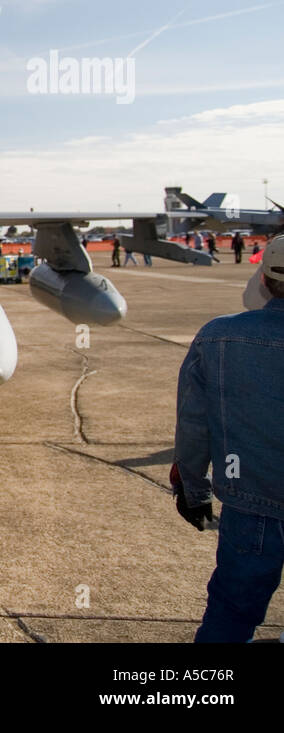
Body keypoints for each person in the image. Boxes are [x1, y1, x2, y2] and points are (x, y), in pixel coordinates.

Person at [173, 234, 284, 642]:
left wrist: (194, 490)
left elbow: (193, 425)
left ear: (265, 281)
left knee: (231, 617)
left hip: (249, 504)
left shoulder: (217, 337)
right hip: (249, 503)